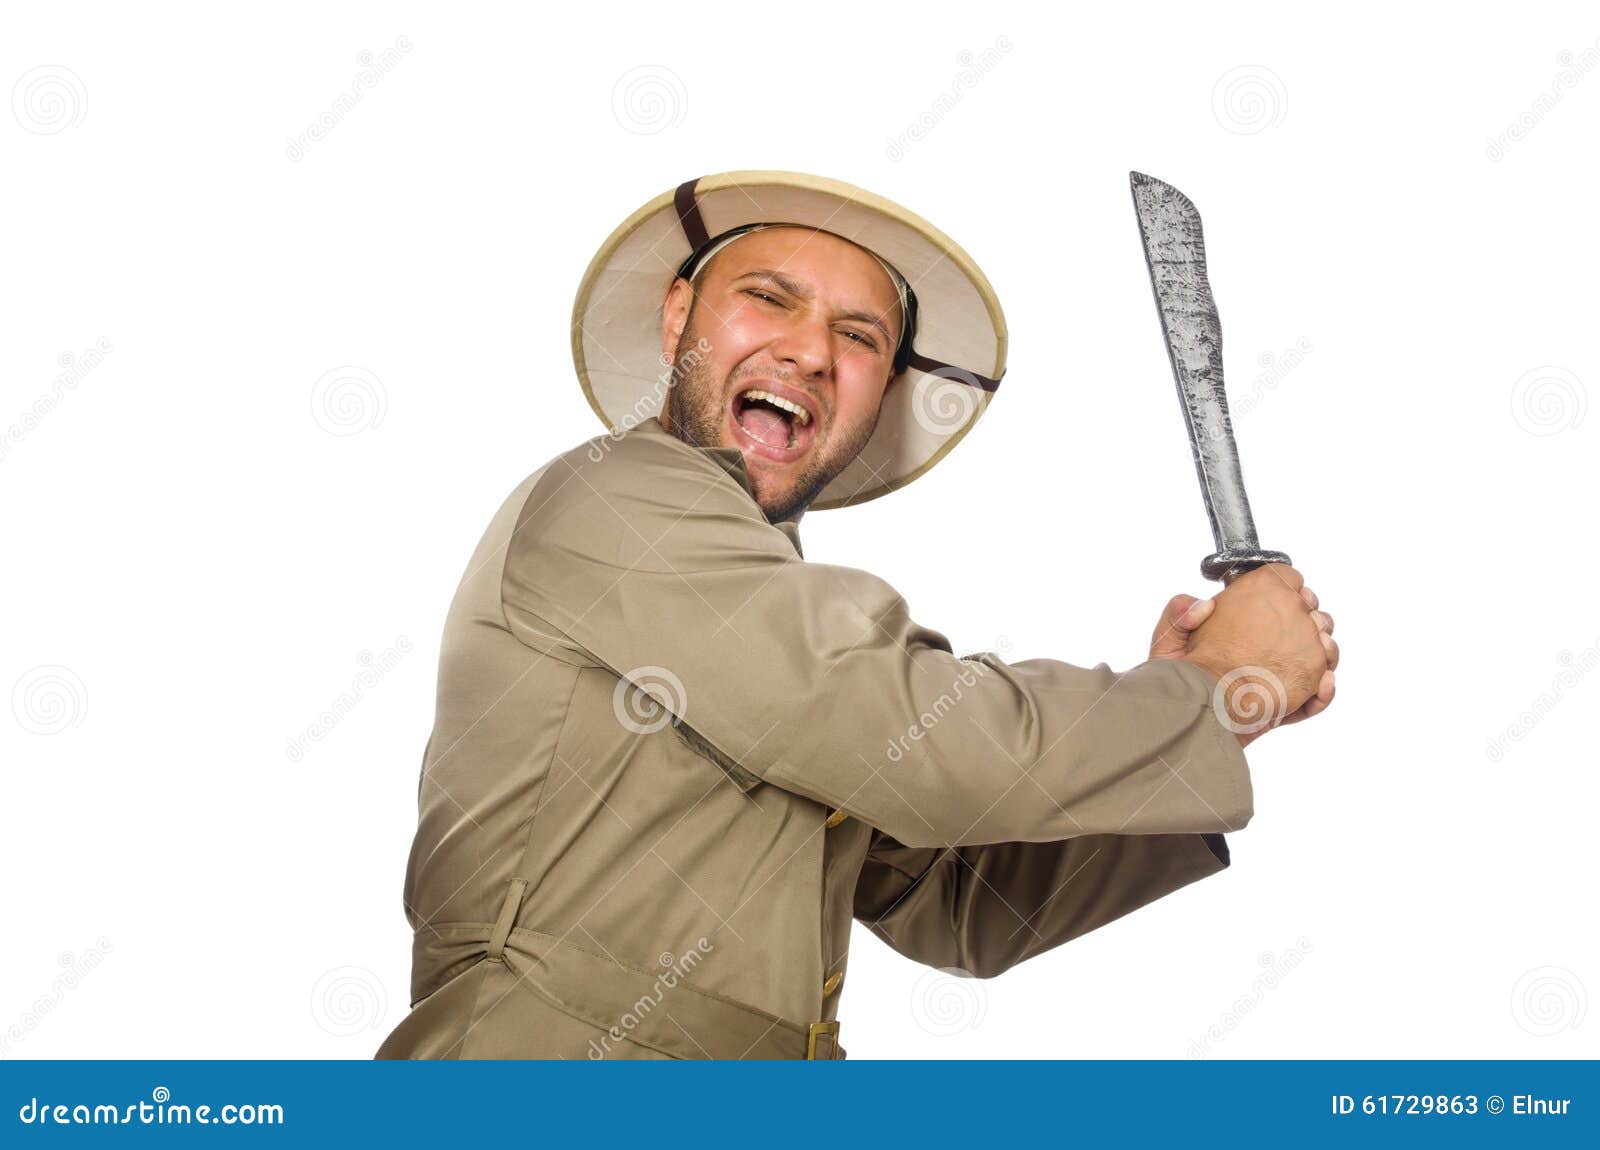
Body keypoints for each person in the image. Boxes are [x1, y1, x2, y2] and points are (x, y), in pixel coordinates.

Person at [375, 171, 1338, 1060]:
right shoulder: (614, 501)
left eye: (861, 335)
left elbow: (966, 903)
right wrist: (1208, 693)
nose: (811, 351)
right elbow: (908, 736)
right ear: (679, 318)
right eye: (769, 297)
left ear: (882, 392)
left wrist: (1202, 716)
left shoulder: (760, 612)